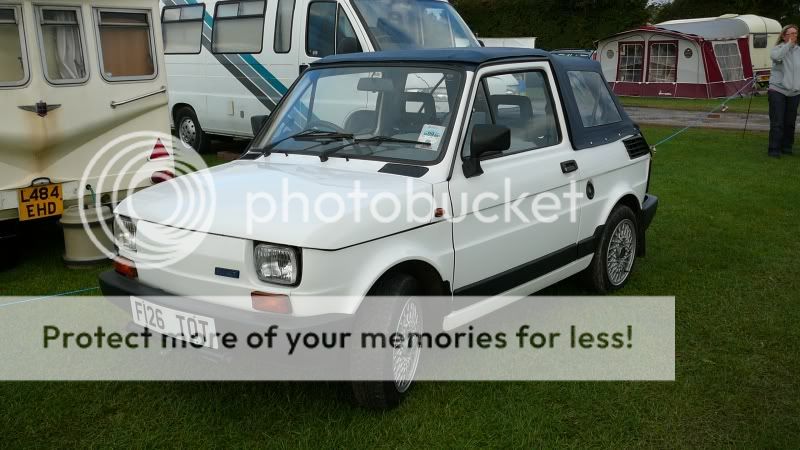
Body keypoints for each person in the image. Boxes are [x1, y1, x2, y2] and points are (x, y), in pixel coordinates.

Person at [768, 24, 800, 158]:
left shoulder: (799, 50)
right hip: (777, 90)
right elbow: (777, 57)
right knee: (778, 122)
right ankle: (774, 149)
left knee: (790, 122)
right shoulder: (778, 49)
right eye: (790, 34)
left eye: (795, 33)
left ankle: (787, 147)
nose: (793, 36)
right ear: (783, 36)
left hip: (794, 92)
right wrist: (788, 45)